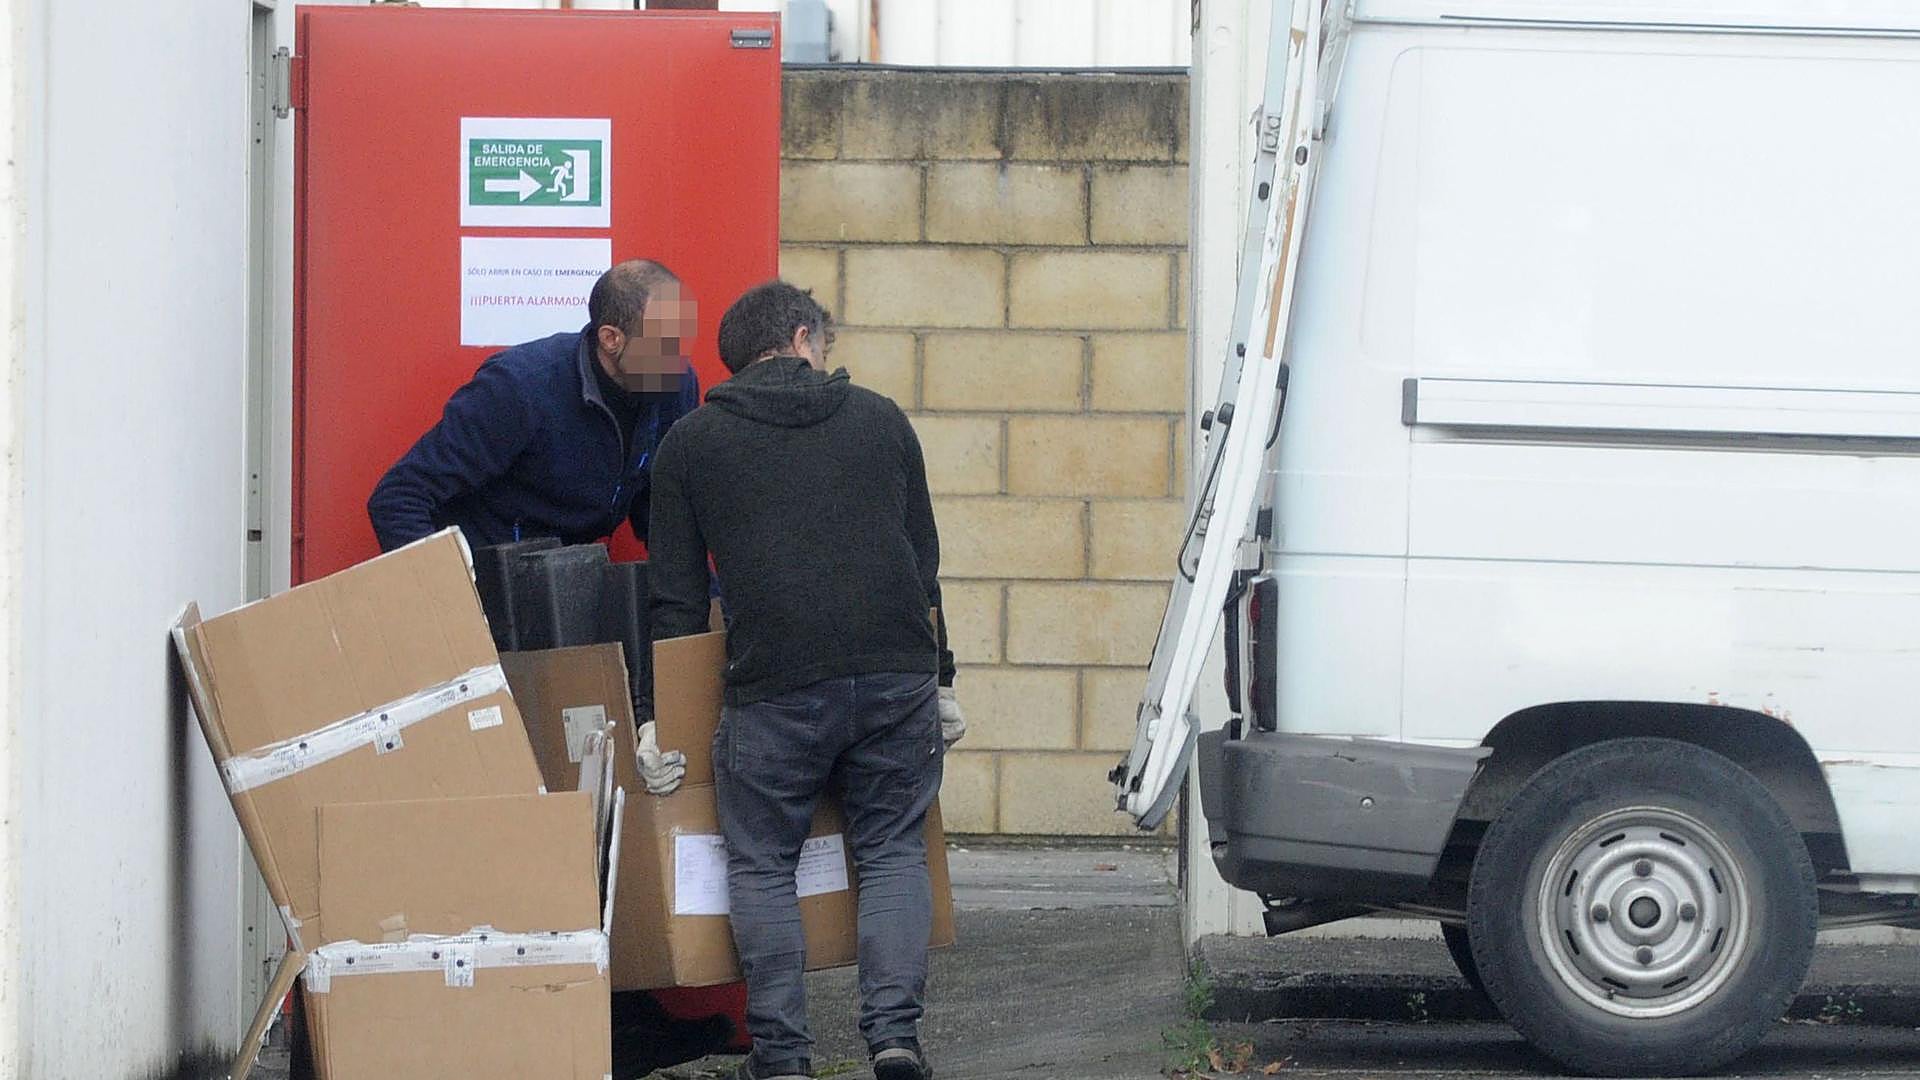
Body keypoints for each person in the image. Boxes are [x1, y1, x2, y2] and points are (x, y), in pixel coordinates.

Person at [647, 282, 964, 1080]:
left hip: (775, 689)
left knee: (761, 864)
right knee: (892, 852)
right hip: (896, 678)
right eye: (823, 343)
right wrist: (944, 678)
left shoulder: (690, 444)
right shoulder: (883, 420)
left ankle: (783, 1058)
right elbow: (922, 568)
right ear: (800, 339)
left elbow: (678, 599)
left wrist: (662, 716)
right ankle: (894, 1040)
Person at [368, 258, 699, 553]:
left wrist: (708, 606)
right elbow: (399, 497)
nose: (676, 358)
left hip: (572, 582)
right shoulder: (519, 386)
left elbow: (661, 514)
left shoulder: (676, 385)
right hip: (488, 578)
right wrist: (446, 603)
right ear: (611, 338)